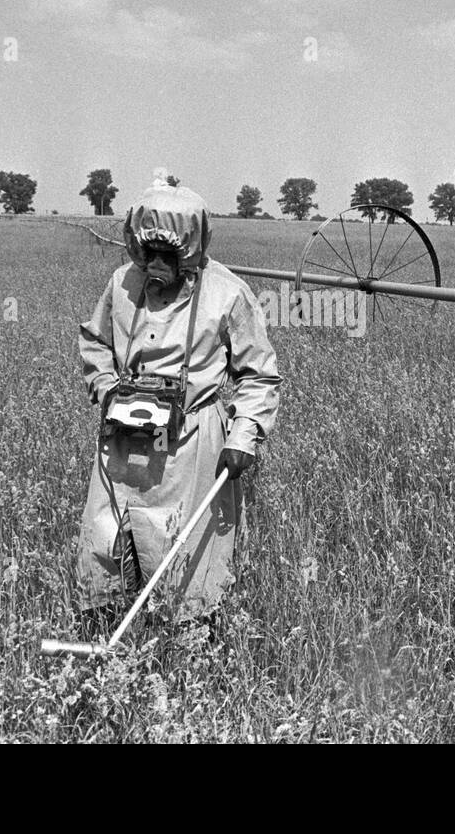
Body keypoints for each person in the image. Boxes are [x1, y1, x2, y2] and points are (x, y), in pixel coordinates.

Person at [77, 181, 280, 624]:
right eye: (145, 252)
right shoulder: (121, 283)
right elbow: (94, 342)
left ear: (188, 250)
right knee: (107, 537)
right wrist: (108, 385)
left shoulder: (227, 293)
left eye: (164, 255)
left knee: (184, 552)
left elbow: (259, 374)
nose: (153, 264)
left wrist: (244, 436)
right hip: (120, 438)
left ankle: (188, 639)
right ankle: (107, 630)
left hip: (190, 444)